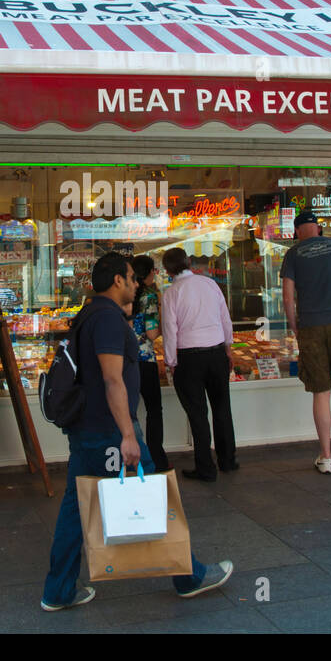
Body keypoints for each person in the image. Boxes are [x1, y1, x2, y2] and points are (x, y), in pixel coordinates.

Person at [41, 252, 232, 611]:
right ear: (117, 281)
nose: (137, 282)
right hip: (109, 430)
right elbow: (112, 379)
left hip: (87, 429)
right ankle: (188, 577)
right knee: (153, 497)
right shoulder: (108, 321)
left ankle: (58, 590)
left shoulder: (91, 314)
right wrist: (128, 434)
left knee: (74, 508)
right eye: (131, 277)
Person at [281, 209, 331, 474]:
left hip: (311, 326)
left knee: (321, 392)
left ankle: (326, 456)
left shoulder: (293, 254)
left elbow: (287, 297)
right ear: (318, 228)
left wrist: (295, 327)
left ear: (296, 232)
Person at [160, 247, 238, 481]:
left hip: (189, 357)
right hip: (216, 353)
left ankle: (205, 467)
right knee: (222, 408)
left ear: (167, 270)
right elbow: (225, 317)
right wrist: (228, 347)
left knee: (197, 413)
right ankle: (228, 460)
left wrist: (171, 361)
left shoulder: (171, 293)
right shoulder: (209, 284)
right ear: (188, 262)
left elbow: (170, 331)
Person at [131, 254, 171, 471]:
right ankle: (156, 458)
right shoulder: (149, 296)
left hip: (125, 361)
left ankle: (132, 456)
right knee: (154, 410)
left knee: (129, 411)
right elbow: (152, 333)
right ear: (148, 274)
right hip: (145, 360)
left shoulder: (125, 294)